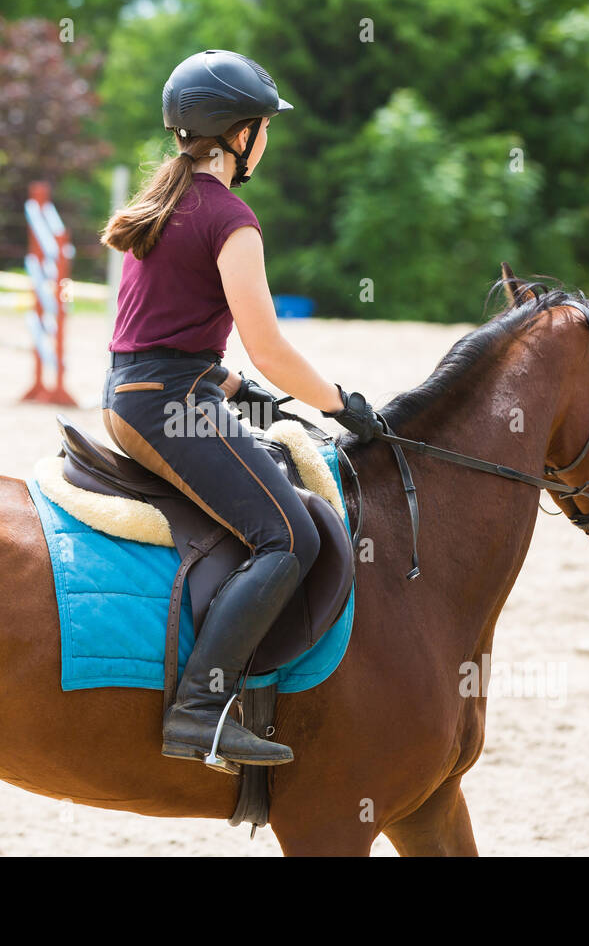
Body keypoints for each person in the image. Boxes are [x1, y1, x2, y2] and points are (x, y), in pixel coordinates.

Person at [99, 49, 382, 769]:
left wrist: (235, 393)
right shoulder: (229, 217)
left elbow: (163, 335)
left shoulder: (163, 204)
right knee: (288, 535)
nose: (269, 139)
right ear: (239, 133)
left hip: (141, 394)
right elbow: (271, 347)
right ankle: (199, 709)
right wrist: (342, 404)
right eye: (264, 126)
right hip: (169, 406)